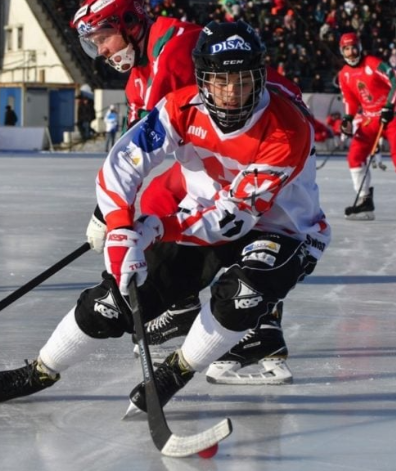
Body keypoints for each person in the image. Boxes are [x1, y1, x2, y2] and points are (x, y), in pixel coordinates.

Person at [0, 21, 330, 410]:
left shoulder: (288, 129)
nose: (230, 94)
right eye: (218, 81)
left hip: (284, 230)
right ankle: (42, 369)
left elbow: (235, 218)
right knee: (116, 299)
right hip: (200, 217)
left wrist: (159, 226)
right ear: (201, 79)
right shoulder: (179, 108)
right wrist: (122, 228)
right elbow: (122, 162)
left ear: (260, 76)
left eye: (243, 81)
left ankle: (176, 370)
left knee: (241, 296)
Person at [73, 0, 304, 384]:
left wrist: (110, 220)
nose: (101, 51)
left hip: (263, 139)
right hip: (213, 146)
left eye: (103, 38)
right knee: (158, 201)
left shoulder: (174, 48)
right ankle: (181, 305)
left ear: (129, 23)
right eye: (93, 43)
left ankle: (258, 325)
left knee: (249, 221)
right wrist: (113, 216)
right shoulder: (139, 73)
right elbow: (137, 149)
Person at [336, 32, 396, 222]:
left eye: (354, 47)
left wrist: (389, 105)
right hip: (369, 120)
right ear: (341, 51)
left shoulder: (373, 63)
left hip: (391, 116)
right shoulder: (344, 74)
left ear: (360, 47)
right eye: (347, 48)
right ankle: (365, 200)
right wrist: (347, 118)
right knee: (354, 156)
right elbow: (351, 100)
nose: (352, 52)